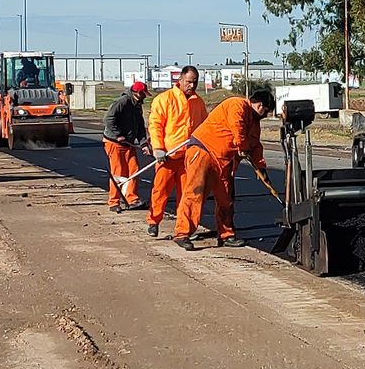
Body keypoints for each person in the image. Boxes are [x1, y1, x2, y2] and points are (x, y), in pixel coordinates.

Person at [174, 90, 274, 250]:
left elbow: (255, 147)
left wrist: (261, 168)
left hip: (223, 160)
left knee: (226, 198)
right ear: (260, 105)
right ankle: (182, 233)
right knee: (195, 193)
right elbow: (237, 126)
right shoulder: (237, 104)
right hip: (203, 150)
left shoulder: (255, 124)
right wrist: (242, 146)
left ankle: (226, 235)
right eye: (267, 111)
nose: (266, 115)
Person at [145, 66, 208, 238]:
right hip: (167, 156)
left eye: (195, 82)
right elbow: (155, 125)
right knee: (160, 191)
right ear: (180, 80)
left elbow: (204, 127)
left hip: (189, 157)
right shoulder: (164, 99)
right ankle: (153, 221)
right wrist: (157, 148)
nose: (192, 85)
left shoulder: (198, 102)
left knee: (187, 195)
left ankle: (184, 228)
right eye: (189, 82)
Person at [103, 81, 150, 213]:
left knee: (134, 170)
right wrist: (118, 135)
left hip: (128, 144)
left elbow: (140, 126)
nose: (145, 97)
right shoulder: (122, 102)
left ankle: (132, 199)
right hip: (114, 142)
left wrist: (144, 144)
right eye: (143, 94)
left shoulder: (137, 106)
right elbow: (108, 119)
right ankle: (114, 202)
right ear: (137, 93)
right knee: (118, 173)